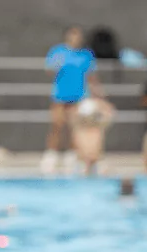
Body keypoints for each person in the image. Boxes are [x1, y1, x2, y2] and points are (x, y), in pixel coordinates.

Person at [42, 26, 96, 174]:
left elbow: (91, 76)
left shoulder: (86, 55)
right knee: (57, 125)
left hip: (78, 95)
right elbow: (49, 70)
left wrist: (97, 93)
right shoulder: (58, 51)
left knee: (74, 127)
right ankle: (51, 155)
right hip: (60, 94)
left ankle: (71, 156)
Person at [72, 95, 113, 176]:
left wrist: (101, 104)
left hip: (93, 163)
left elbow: (109, 113)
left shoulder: (98, 129)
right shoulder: (79, 130)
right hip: (83, 164)